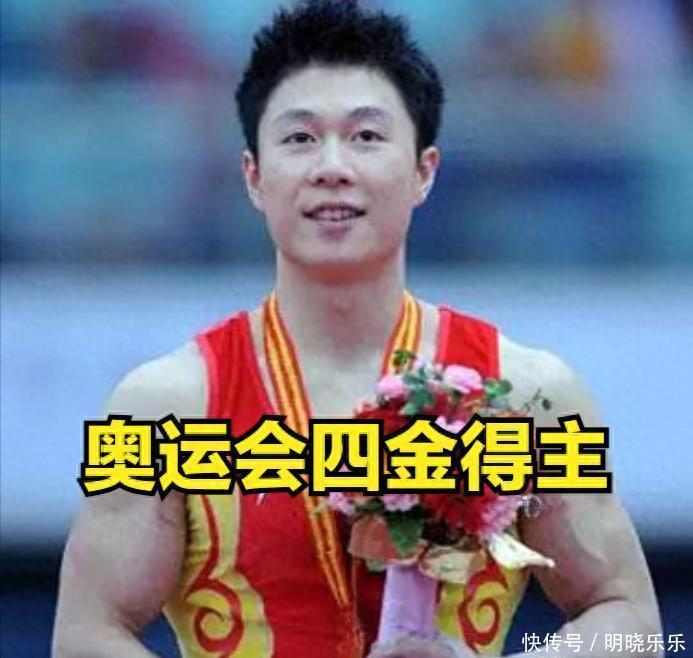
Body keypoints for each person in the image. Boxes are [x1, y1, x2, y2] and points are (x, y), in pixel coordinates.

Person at [52, 1, 662, 656]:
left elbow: (633, 621)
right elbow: (84, 633)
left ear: (424, 171)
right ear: (253, 177)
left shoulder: (528, 393)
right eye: (299, 138)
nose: (331, 166)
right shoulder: (163, 406)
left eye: (366, 136)